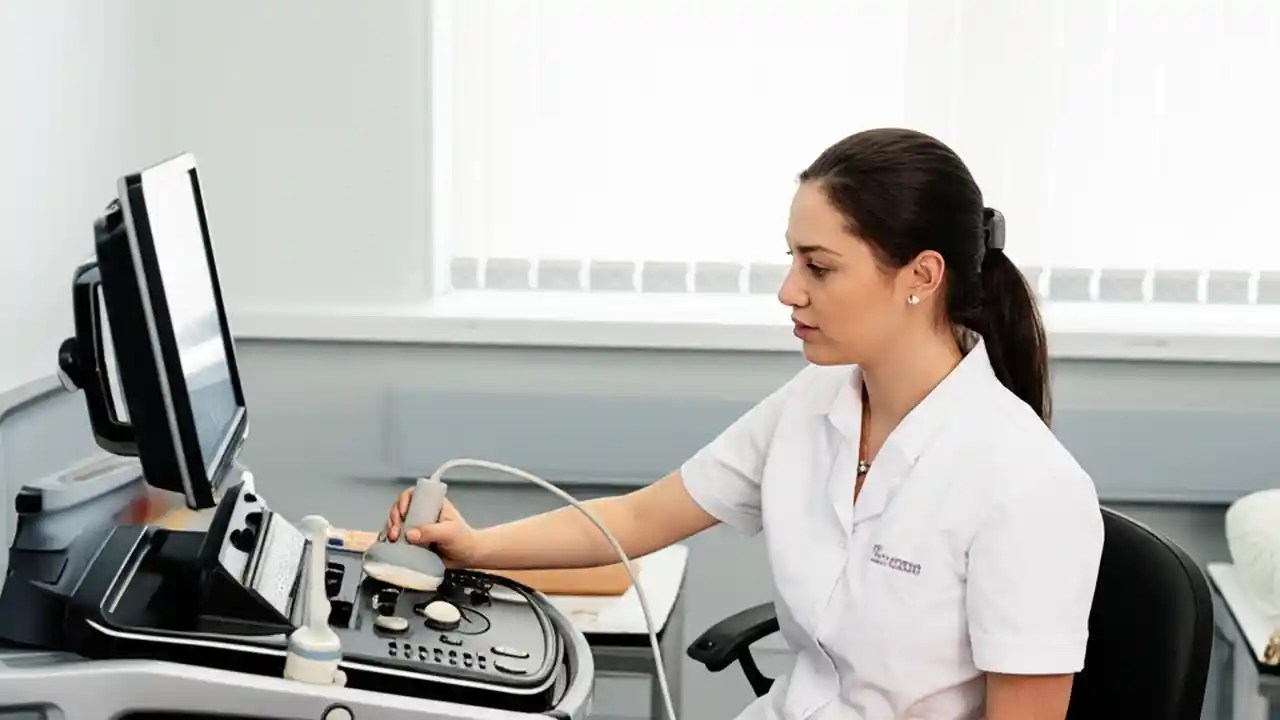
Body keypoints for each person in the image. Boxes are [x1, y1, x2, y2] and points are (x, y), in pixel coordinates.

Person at [385, 128, 1104, 720]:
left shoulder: (1026, 484)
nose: (789, 291)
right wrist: (475, 548)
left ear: (921, 276)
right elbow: (637, 518)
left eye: (820, 267)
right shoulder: (814, 402)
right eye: (791, 258)